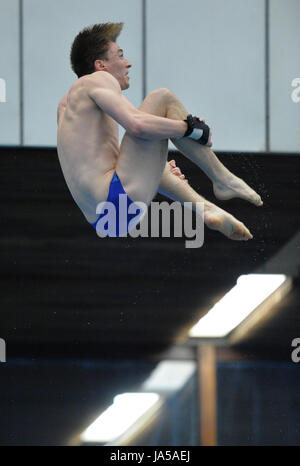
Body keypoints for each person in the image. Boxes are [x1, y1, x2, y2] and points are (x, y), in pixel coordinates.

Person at [57, 22, 263, 240]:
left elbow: (113, 160)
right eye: (120, 55)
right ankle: (222, 178)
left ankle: (206, 209)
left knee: (160, 159)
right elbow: (137, 125)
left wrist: (157, 167)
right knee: (162, 98)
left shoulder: (66, 107)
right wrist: (190, 129)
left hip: (104, 221)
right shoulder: (98, 80)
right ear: (101, 65)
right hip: (115, 198)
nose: (128, 63)